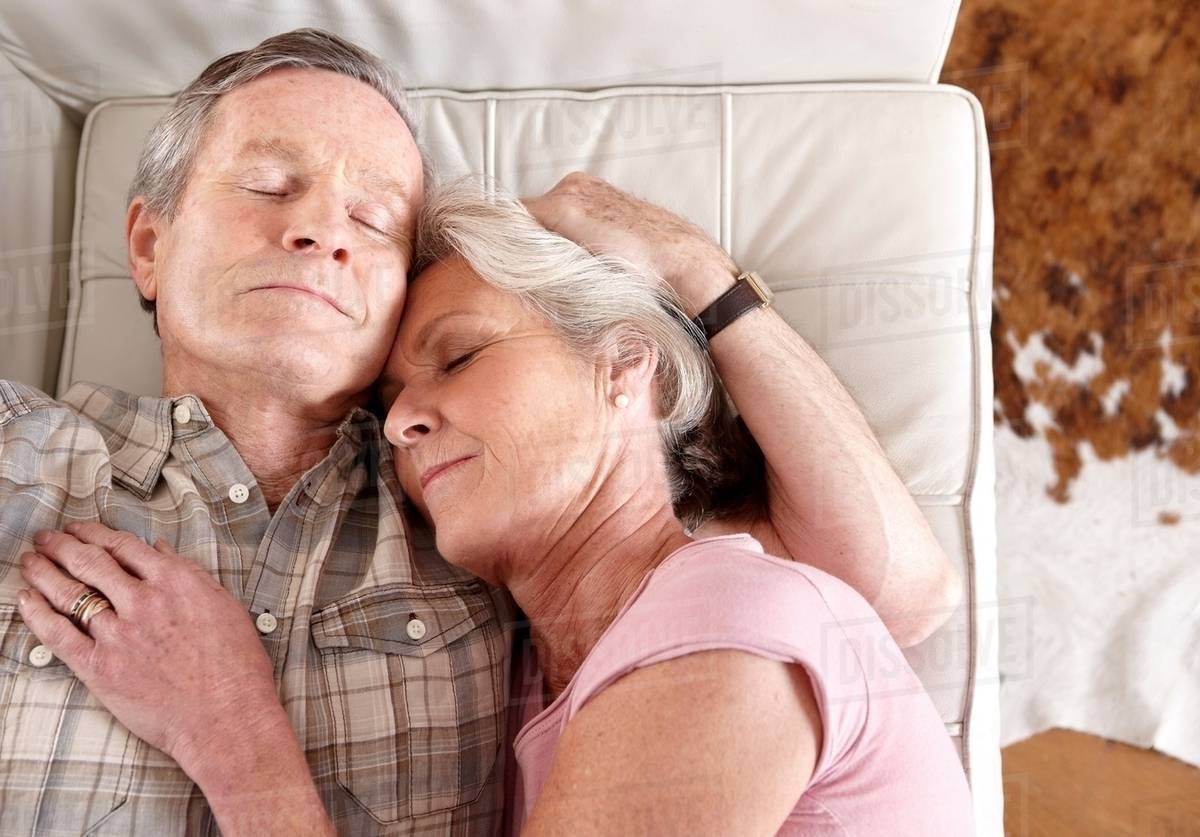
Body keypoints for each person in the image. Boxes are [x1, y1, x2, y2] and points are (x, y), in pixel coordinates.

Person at [2, 28, 961, 836]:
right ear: (147, 245)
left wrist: (687, 262)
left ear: (625, 368)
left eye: (374, 219)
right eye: (265, 184)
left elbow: (893, 588)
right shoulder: (543, 635)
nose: (321, 232)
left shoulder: (659, 589)